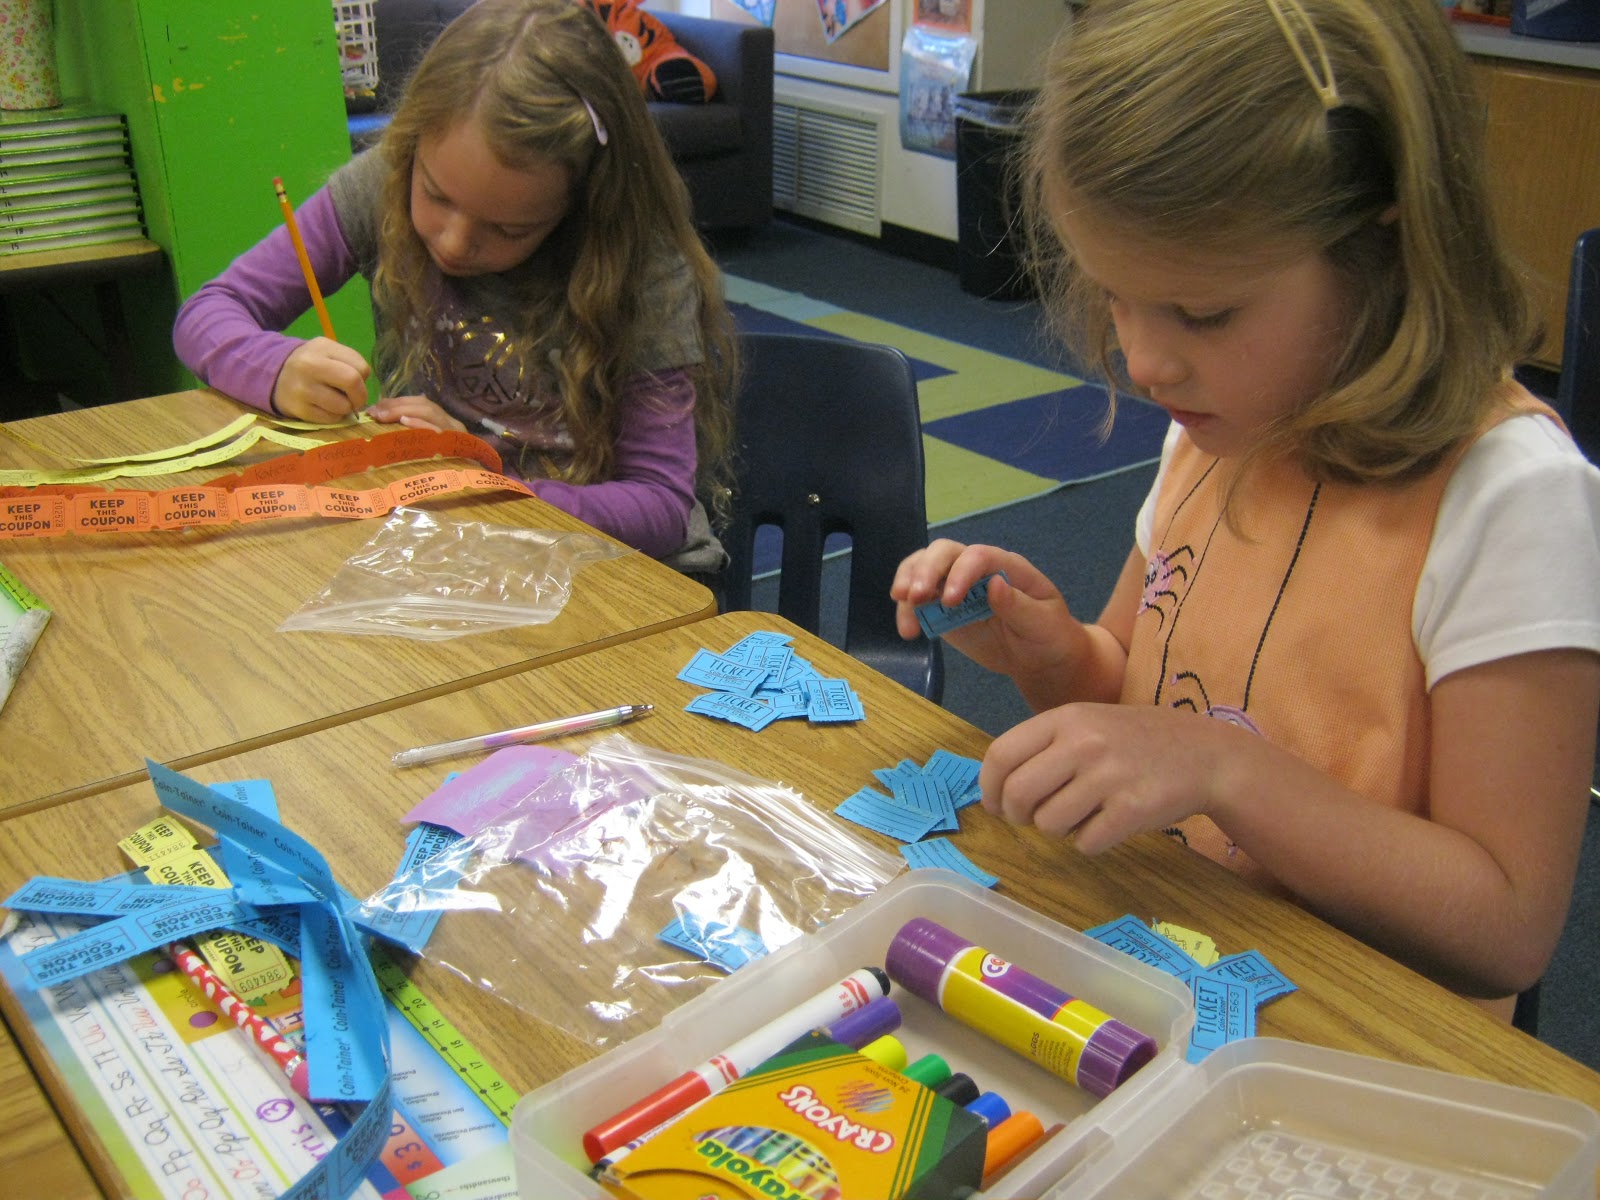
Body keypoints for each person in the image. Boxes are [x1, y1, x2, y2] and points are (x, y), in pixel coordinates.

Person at [892, 0, 1600, 1018]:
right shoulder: (1218, 420)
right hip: (1181, 970)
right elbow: (1140, 698)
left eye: (1204, 311)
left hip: (1364, 1034)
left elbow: (1505, 929)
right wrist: (1054, 658)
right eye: (1115, 296)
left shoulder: (1513, 498)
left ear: (1382, 242)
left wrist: (1227, 771)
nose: (1142, 360)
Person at [173, 0, 735, 578]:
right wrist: (276, 366)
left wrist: (483, 482)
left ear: (580, 204)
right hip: (457, 547)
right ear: (413, 145)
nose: (455, 243)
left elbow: (660, 506)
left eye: (509, 229)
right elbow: (207, 315)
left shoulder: (638, 263)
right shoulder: (385, 180)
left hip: (622, 570)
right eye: (436, 196)